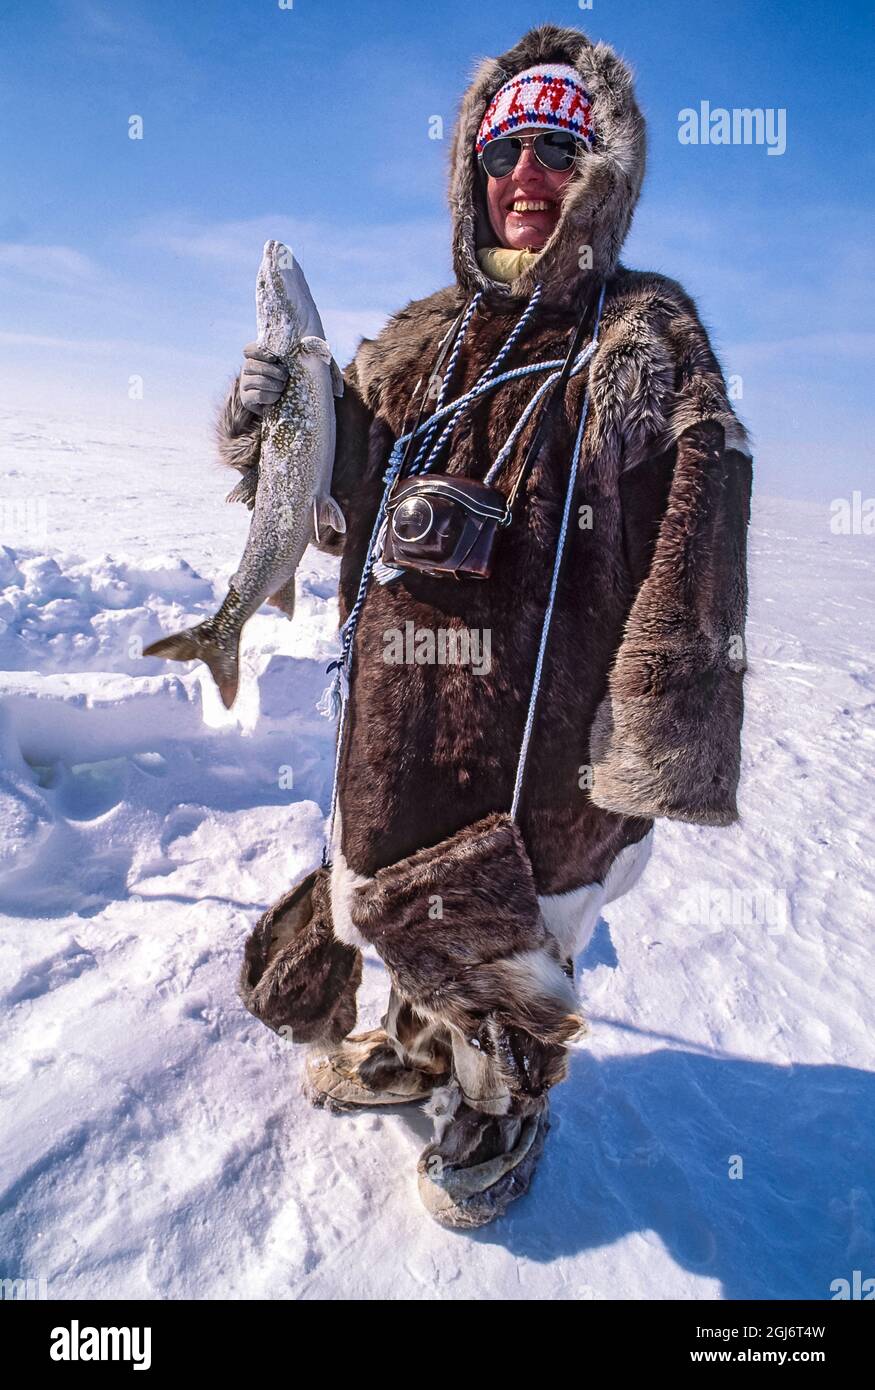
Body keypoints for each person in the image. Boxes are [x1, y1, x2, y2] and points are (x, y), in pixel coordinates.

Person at [220, 23, 752, 1229]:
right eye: (505, 147)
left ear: (599, 172)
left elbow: (695, 541)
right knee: (402, 903)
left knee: (509, 958)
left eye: (558, 148)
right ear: (471, 165)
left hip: (544, 747)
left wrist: (652, 742)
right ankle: (413, 1052)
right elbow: (339, 498)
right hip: (399, 711)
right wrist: (276, 423)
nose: (527, 175)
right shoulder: (419, 340)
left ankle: (501, 1112)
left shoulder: (642, 337)